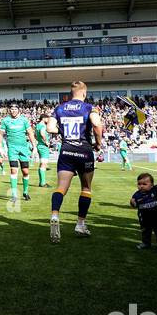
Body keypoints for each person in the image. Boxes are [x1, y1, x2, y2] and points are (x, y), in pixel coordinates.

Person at [45, 80, 104, 242]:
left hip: (66, 151)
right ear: (84, 93)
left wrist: (62, 131)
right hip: (84, 152)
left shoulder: (59, 108)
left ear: (71, 93)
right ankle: (80, 224)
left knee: (61, 187)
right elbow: (97, 124)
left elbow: (50, 128)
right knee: (86, 187)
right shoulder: (88, 107)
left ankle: (55, 215)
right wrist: (98, 143)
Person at [0, 103, 37, 204]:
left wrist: (34, 147)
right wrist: (0, 148)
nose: (13, 110)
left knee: (25, 172)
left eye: (15, 109)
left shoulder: (24, 120)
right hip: (12, 149)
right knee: (13, 171)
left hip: (23, 149)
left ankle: (25, 192)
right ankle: (14, 194)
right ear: (9, 110)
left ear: (18, 110)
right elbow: (1, 134)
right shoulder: (5, 120)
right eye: (11, 109)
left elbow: (30, 133)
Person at [130, 170, 157, 250]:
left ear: (151, 185)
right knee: (145, 232)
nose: (141, 186)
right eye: (139, 184)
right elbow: (134, 205)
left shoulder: (154, 190)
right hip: (144, 219)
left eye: (144, 184)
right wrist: (132, 202)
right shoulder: (137, 194)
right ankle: (146, 243)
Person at [34, 111, 53, 187]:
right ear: (44, 118)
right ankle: (43, 183)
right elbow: (42, 134)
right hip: (43, 146)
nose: (48, 120)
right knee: (43, 164)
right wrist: (46, 142)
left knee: (42, 163)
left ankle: (41, 182)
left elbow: (35, 135)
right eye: (47, 118)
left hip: (39, 145)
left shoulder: (37, 125)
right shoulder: (43, 126)